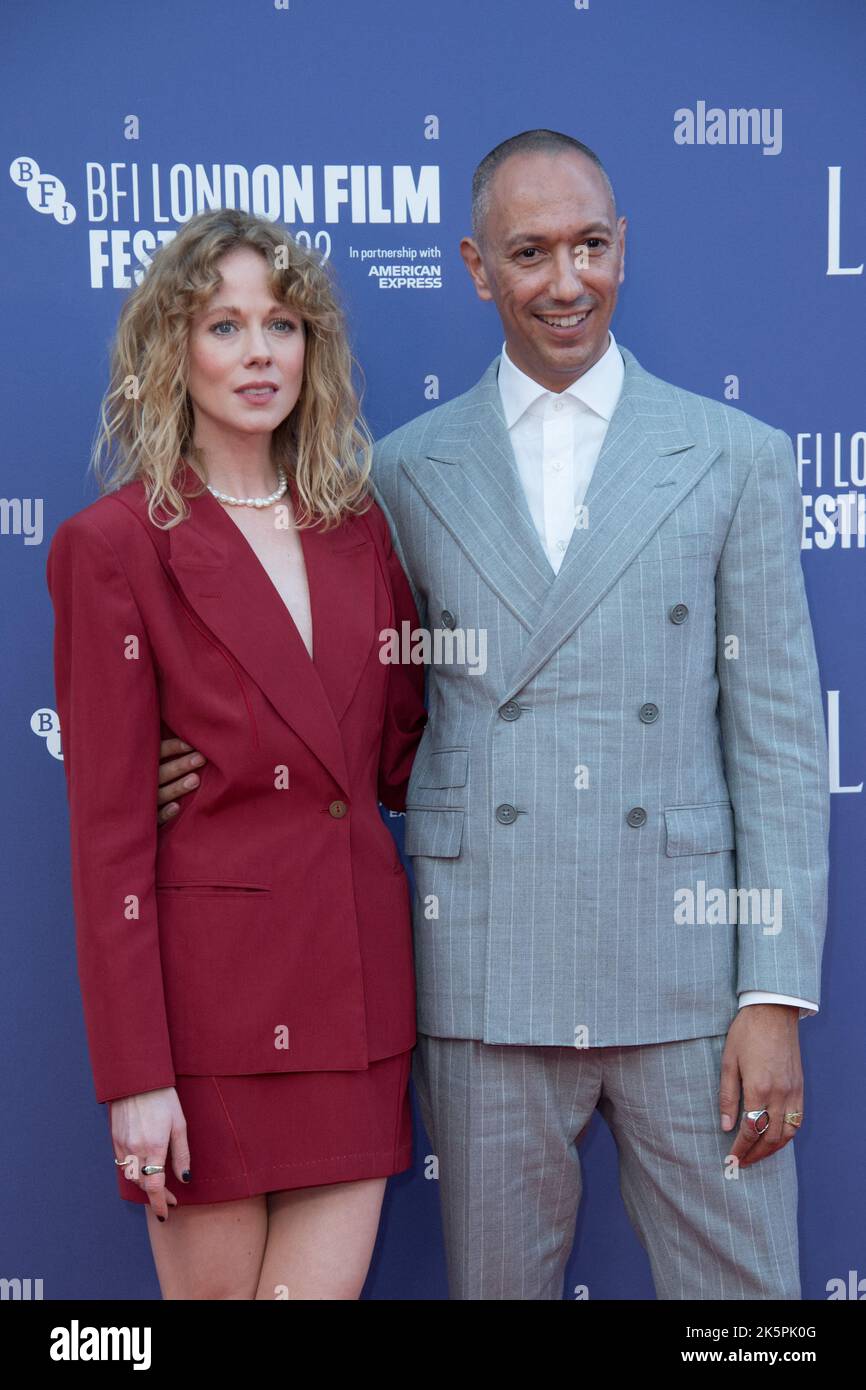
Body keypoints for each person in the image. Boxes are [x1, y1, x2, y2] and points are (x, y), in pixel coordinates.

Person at [158, 131, 830, 1300]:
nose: (563, 280)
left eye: (586, 246)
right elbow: (348, 699)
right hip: (482, 972)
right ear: (476, 267)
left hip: (685, 973)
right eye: (529, 252)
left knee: (749, 1314)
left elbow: (776, 742)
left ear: (622, 248)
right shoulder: (398, 475)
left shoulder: (734, 460)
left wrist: (769, 994)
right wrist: (208, 758)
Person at [46, 207, 427, 1301]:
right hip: (206, 1026)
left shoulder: (356, 528)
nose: (259, 352)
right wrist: (136, 1080)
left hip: (355, 1007)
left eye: (282, 323)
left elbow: (402, 750)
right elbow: (109, 841)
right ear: (172, 350)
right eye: (223, 325)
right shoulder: (112, 548)